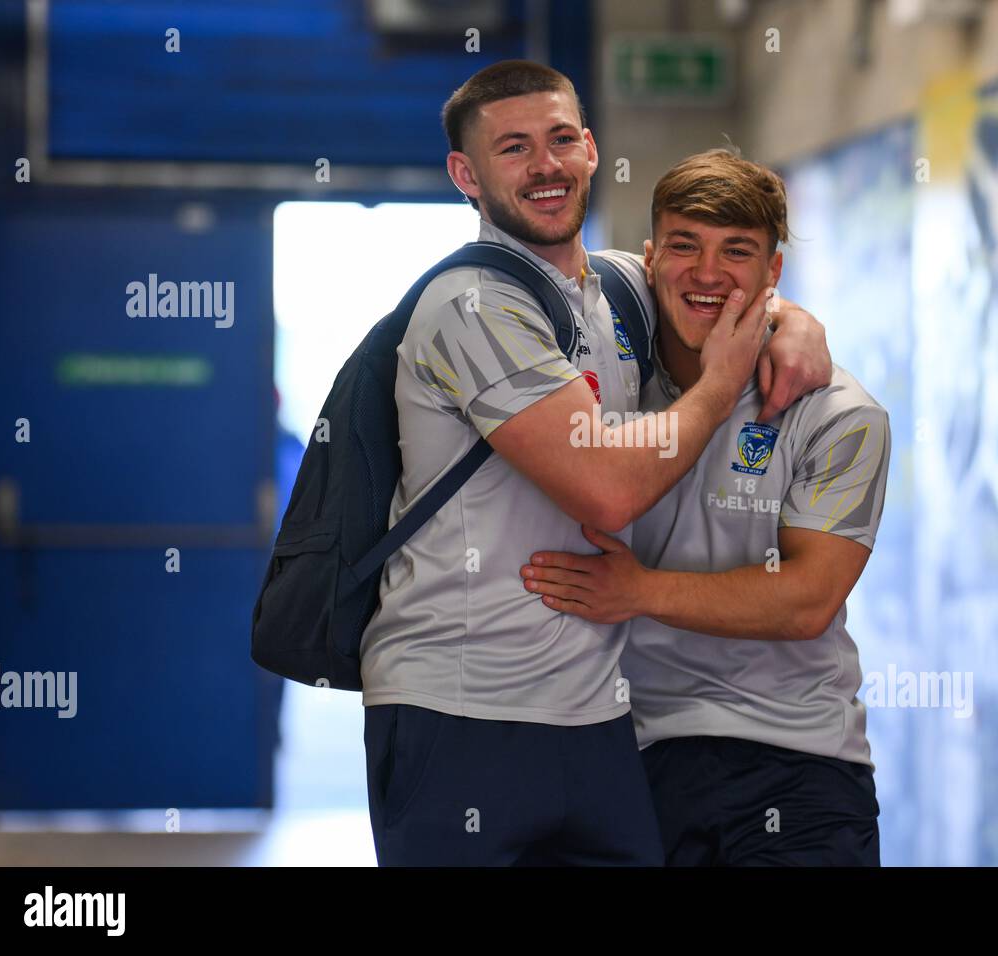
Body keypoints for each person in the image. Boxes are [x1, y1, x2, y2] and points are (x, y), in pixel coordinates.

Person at [361, 62, 833, 866]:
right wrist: (721, 386)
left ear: (589, 148)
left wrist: (794, 320)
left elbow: (711, 288)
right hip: (459, 712)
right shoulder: (471, 306)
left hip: (594, 717)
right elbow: (608, 490)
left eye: (558, 139)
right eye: (513, 149)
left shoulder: (616, 287)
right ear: (465, 175)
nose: (544, 166)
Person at [521, 148, 891, 866]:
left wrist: (638, 592)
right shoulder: (606, 389)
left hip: (799, 761)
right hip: (635, 755)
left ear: (774, 273)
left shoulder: (840, 414)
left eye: (738, 253)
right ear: (651, 258)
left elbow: (806, 602)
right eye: (684, 245)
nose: (709, 272)